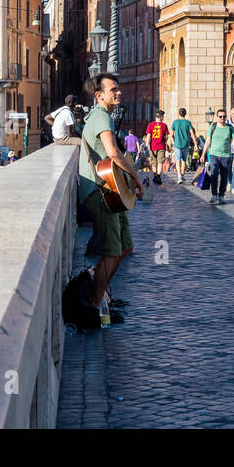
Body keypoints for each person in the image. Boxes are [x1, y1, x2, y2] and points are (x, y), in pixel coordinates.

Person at [78, 73, 142, 319]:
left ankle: (100, 291)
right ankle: (95, 308)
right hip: (99, 191)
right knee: (112, 250)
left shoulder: (102, 116)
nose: (119, 93)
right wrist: (135, 177)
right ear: (99, 95)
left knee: (124, 247)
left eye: (118, 88)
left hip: (111, 190)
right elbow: (113, 153)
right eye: (113, 89)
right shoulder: (101, 117)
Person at [204, 108, 234, 205]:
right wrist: (203, 154)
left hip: (226, 156)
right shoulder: (213, 127)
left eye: (224, 116)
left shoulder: (230, 128)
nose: (222, 118)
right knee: (214, 173)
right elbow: (208, 140)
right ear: (217, 117)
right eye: (220, 116)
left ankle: (221, 195)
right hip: (214, 154)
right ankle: (214, 194)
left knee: (224, 176)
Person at [169, 108, 196, 185]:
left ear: (179, 113)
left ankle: (179, 176)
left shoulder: (175, 122)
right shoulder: (188, 123)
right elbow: (192, 134)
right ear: (185, 113)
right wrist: (195, 144)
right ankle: (182, 175)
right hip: (186, 144)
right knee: (184, 160)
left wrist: (173, 141)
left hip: (177, 144)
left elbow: (172, 135)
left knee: (178, 161)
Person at [144, 110, 170, 185]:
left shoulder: (150, 125)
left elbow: (148, 136)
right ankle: (158, 176)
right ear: (161, 117)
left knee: (153, 163)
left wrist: (147, 145)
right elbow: (166, 137)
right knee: (160, 162)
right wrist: (165, 140)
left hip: (152, 146)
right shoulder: (164, 125)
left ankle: (155, 176)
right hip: (161, 146)